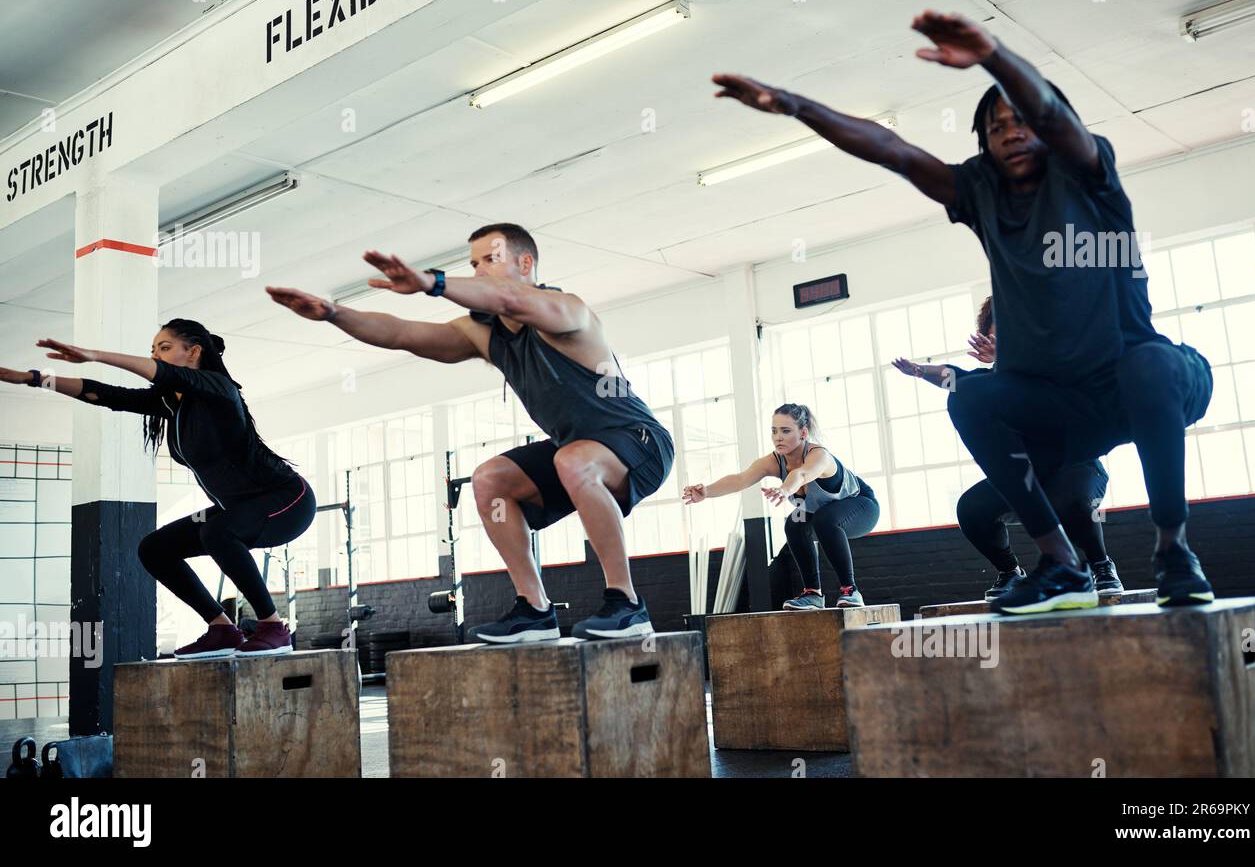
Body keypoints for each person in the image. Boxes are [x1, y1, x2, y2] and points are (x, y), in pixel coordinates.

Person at [714, 9, 1212, 614]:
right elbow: (890, 149)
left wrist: (992, 56)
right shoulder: (981, 193)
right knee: (973, 395)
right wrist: (797, 106)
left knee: (1148, 365)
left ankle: (1174, 551)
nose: (1010, 130)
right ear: (983, 144)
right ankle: (1060, 565)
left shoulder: (1088, 174)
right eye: (995, 126)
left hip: (1152, 384)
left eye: (1022, 120)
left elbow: (1054, 114)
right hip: (1069, 412)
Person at [267, 223, 673, 642]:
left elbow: (510, 297)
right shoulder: (482, 334)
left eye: (489, 260)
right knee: (490, 479)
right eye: (473, 264)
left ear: (525, 263)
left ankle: (627, 605)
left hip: (639, 441)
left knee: (572, 460)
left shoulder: (566, 309)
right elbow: (402, 334)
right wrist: (335, 314)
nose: (478, 270)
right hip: (574, 452)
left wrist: (432, 282)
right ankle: (534, 609)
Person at [0, 319, 315, 658]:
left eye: (164, 348)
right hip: (236, 511)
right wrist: (36, 379)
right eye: (153, 351)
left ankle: (272, 626)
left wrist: (93, 354)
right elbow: (105, 394)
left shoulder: (218, 388)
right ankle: (222, 628)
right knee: (156, 548)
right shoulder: (172, 405)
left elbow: (161, 374)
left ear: (193, 352)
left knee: (217, 532)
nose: (156, 356)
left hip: (286, 501)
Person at [892, 297, 1122, 600]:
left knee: (1076, 505)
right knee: (971, 510)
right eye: (995, 338)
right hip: (1025, 474)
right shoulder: (986, 385)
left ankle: (1101, 564)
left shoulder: (1051, 366)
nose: (1000, 344)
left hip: (1075, 464)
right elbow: (954, 378)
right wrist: (921, 371)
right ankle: (1010, 571)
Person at [683, 404, 879, 610]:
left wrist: (785, 490)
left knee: (824, 518)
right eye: (774, 431)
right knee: (794, 524)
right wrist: (706, 491)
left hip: (862, 508)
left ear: (803, 433)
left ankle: (850, 590)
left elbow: (801, 474)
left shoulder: (819, 456)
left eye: (786, 431)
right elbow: (741, 479)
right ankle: (813, 594)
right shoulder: (774, 460)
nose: (778, 437)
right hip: (827, 516)